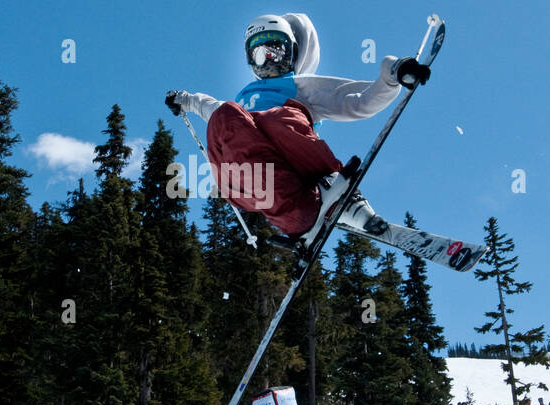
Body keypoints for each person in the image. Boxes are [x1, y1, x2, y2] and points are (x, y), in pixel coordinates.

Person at [165, 13, 430, 245]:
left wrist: (391, 76)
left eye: (275, 53)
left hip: (299, 168)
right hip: (256, 184)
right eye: (260, 56)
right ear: (250, 62)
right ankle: (302, 222)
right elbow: (208, 106)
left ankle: (337, 196)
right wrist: (186, 100)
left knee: (273, 119)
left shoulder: (300, 87)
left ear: (293, 54)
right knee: (225, 117)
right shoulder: (240, 103)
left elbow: (356, 102)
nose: (268, 62)